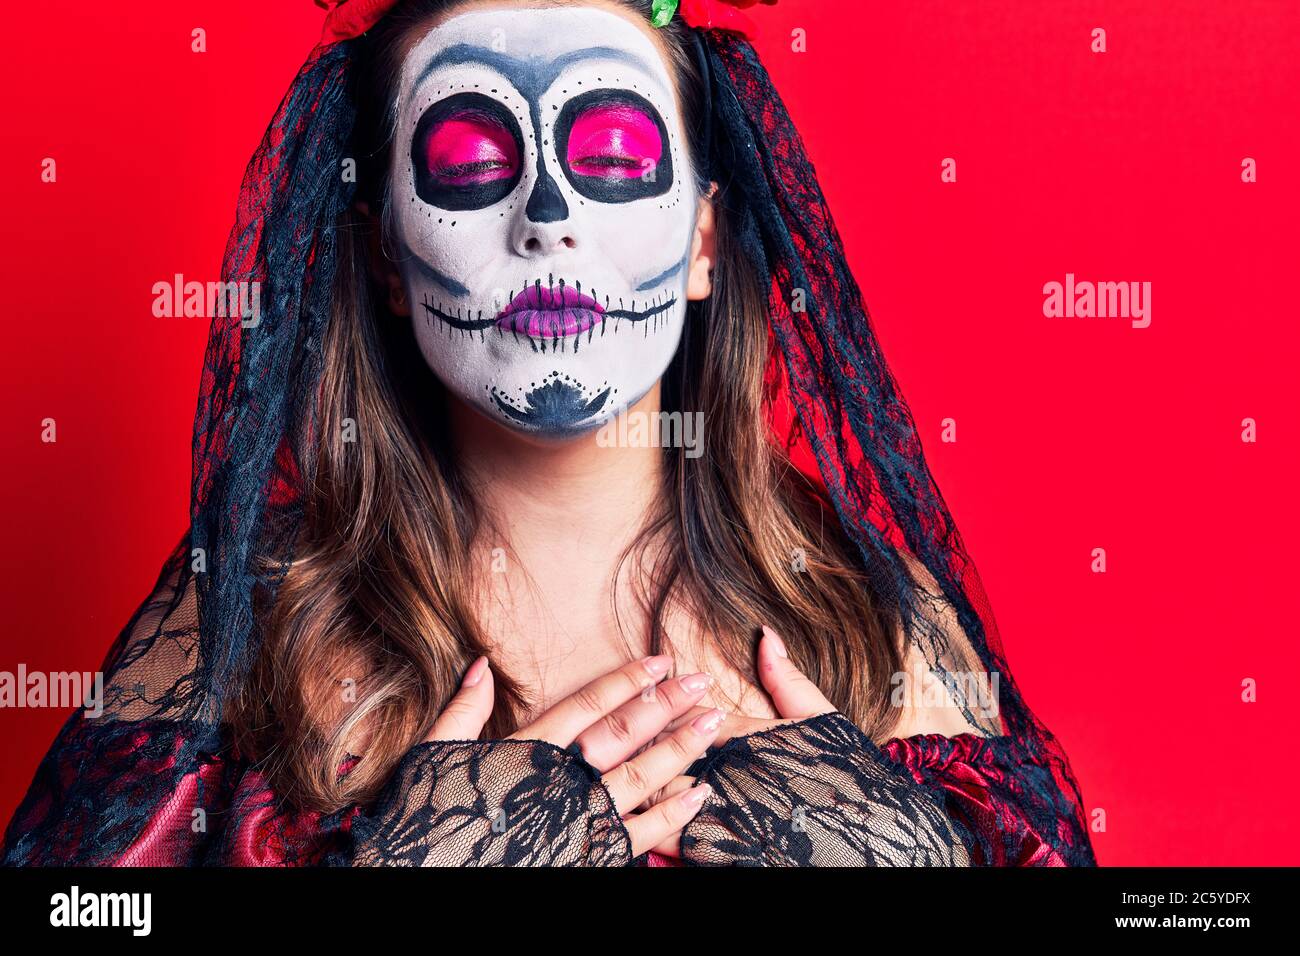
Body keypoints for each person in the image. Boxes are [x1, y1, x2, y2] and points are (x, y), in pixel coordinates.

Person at [2, 0, 1096, 867]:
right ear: (385, 253)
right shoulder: (241, 619)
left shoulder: (877, 623)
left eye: (614, 156)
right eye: (474, 165)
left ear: (705, 236)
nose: (545, 215)